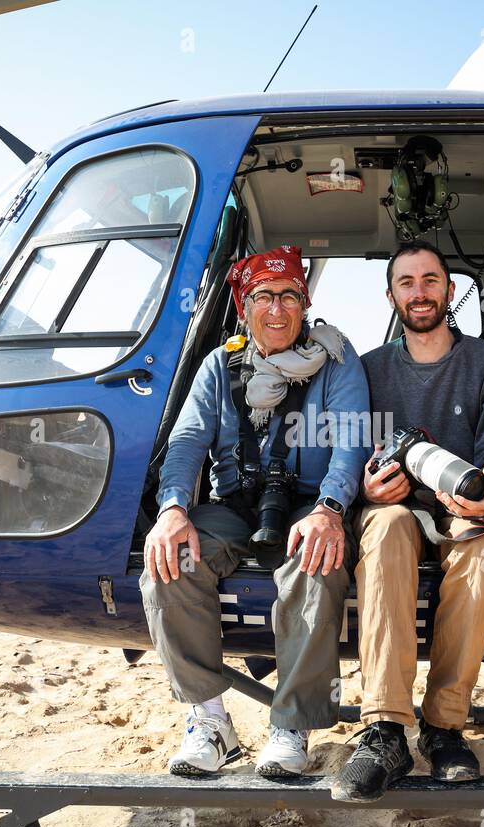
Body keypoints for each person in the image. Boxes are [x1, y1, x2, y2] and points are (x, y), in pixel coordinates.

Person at [140, 245, 368, 779]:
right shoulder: (220, 366)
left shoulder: (334, 359)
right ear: (244, 306)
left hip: (310, 504)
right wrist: (172, 508)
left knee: (318, 564)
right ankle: (209, 719)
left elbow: (354, 436)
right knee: (169, 561)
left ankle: (291, 727)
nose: (277, 308)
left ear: (304, 304)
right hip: (235, 506)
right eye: (263, 295)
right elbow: (188, 439)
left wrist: (331, 508)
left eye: (289, 295)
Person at [331, 239, 484, 802]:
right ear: (390, 295)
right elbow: (349, 450)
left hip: (460, 511)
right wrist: (366, 487)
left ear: (450, 289)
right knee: (386, 527)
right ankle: (385, 729)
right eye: (407, 283)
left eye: (430, 280)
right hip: (395, 507)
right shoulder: (366, 370)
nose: (420, 292)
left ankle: (443, 729)